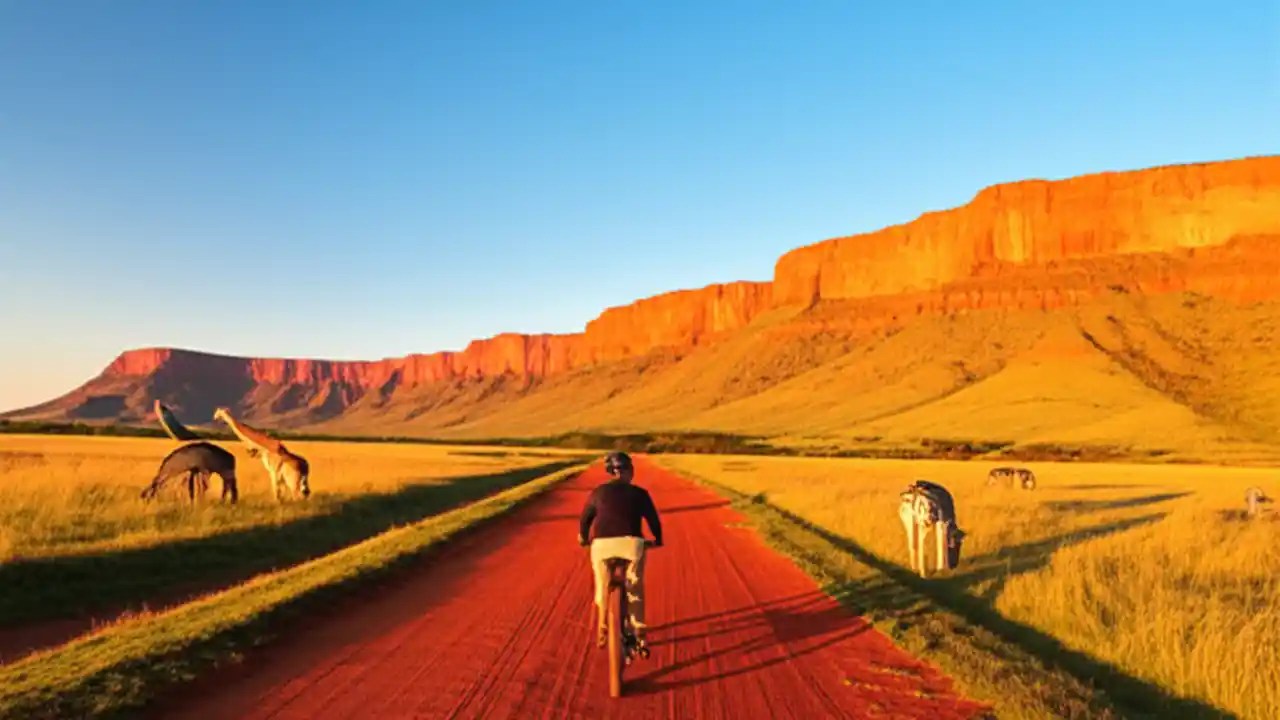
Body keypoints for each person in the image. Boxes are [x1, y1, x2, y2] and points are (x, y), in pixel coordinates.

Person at [578, 450, 663, 651]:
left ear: (610, 472)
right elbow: (653, 520)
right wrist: (658, 539)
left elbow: (585, 519)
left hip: (601, 545)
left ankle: (602, 626)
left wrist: (583, 537)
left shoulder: (598, 492)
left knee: (601, 585)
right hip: (631, 544)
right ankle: (639, 631)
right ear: (630, 471)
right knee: (635, 585)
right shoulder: (640, 493)